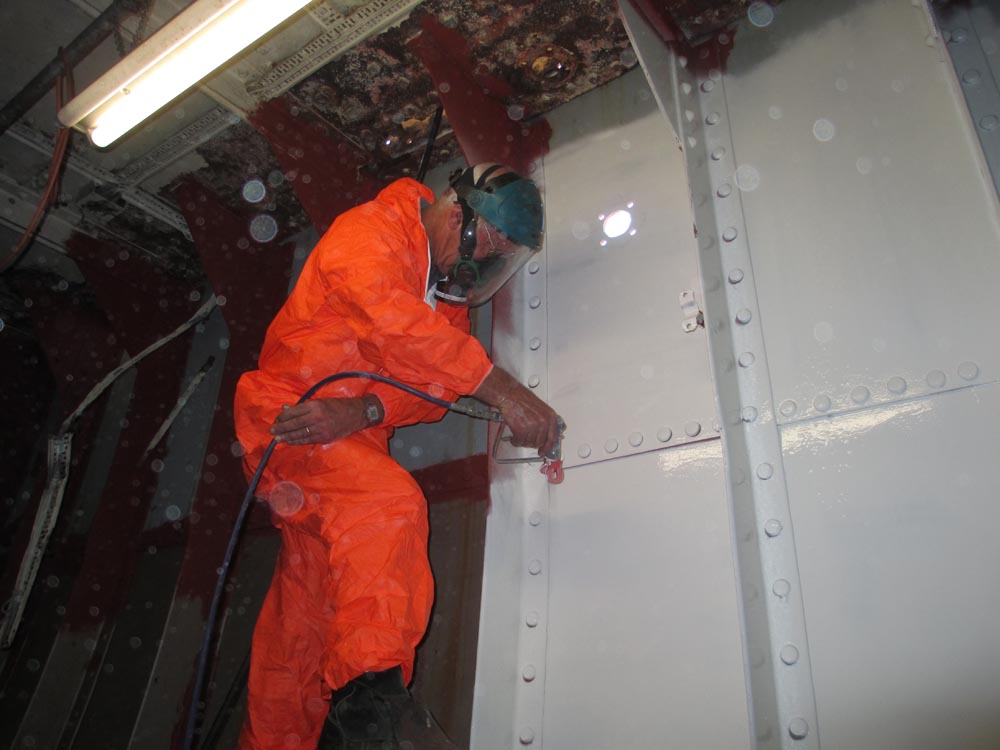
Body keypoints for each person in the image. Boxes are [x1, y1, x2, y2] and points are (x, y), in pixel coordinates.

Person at [233, 163, 561, 750]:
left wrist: (364, 411)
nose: (486, 264)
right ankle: (371, 709)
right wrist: (507, 393)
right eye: (491, 244)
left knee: (304, 627)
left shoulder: (445, 305)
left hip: (342, 441)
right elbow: (393, 326)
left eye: (502, 255)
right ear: (458, 213)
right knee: (388, 505)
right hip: (290, 418)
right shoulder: (373, 231)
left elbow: (432, 392)